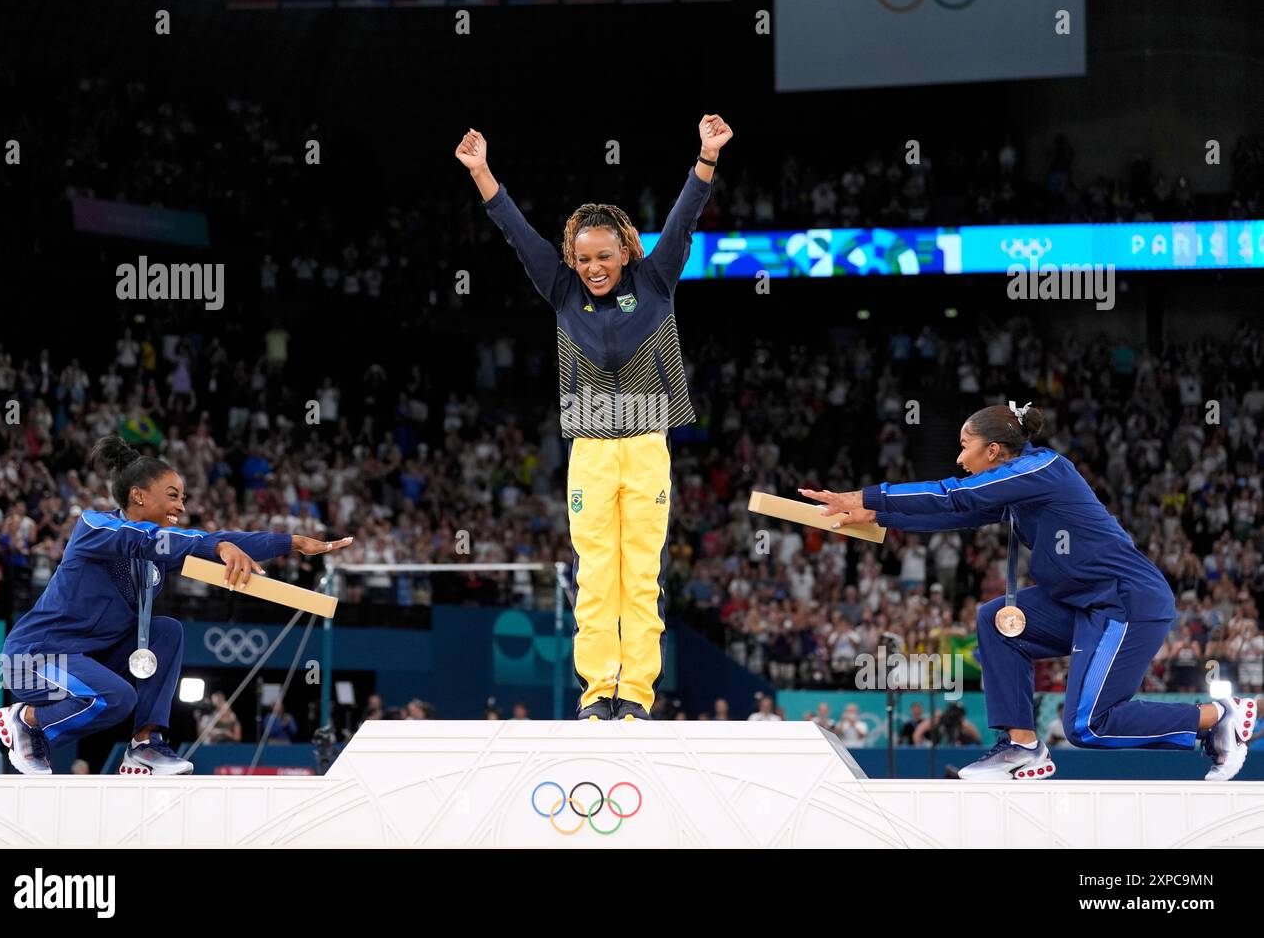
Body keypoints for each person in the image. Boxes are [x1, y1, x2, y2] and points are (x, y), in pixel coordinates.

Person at [800, 402, 1256, 781]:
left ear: (993, 449)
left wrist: (866, 498)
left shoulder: (1044, 469)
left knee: (1087, 725)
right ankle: (1022, 747)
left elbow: (955, 495)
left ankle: (1217, 719)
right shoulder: (1017, 486)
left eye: (965, 447)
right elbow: (959, 514)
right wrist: (879, 517)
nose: (960, 458)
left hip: (1125, 601)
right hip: (1082, 604)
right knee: (994, 622)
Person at [457, 115, 733, 721]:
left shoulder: (656, 280)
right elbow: (517, 232)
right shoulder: (561, 291)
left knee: (641, 577)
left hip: (646, 448)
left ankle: (634, 695)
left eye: (604, 256)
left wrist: (706, 157)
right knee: (593, 577)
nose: (593, 268)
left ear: (626, 251)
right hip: (590, 452)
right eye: (583, 258)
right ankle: (595, 693)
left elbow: (685, 217)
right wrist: (482, 172)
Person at [0, 435, 352, 776]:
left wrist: (288, 543)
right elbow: (153, 540)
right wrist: (216, 548)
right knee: (115, 697)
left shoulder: (159, 550)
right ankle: (25, 721)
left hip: (91, 657)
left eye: (183, 497)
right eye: (172, 495)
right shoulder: (93, 526)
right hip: (35, 656)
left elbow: (203, 541)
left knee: (167, 631)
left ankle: (145, 743)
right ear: (138, 495)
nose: (181, 505)